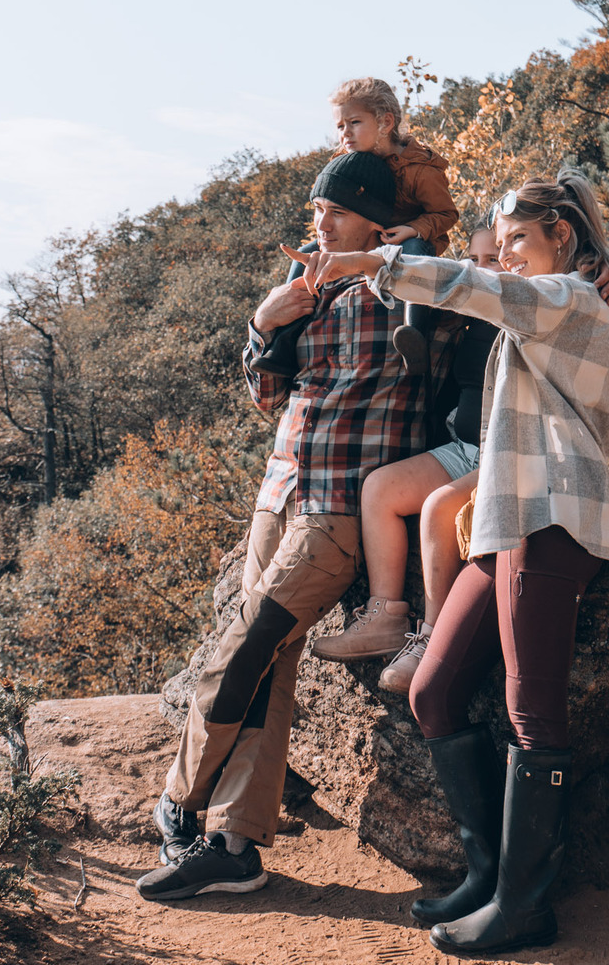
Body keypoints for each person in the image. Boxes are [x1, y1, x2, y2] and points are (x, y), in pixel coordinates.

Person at [285, 170, 609, 957]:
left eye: (519, 240)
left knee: (532, 712)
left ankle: (524, 906)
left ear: (563, 238)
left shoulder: (572, 299)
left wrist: (370, 262)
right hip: (507, 522)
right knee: (434, 690)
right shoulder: (553, 300)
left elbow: (475, 287)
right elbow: (483, 293)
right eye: (499, 243)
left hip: (553, 519)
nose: (505, 256)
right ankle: (486, 876)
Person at [135, 151, 453, 903]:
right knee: (271, 662)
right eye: (317, 211)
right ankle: (233, 846)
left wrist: (401, 248)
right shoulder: (307, 284)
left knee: (244, 649)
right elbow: (268, 394)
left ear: (375, 220)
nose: (321, 225)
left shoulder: (409, 282)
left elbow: (464, 285)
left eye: (336, 212)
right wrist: (262, 323)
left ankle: (179, 799)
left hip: (336, 511)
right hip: (277, 494)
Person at [307, 226, 501, 689]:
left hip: (507, 455)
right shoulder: (469, 311)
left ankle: (432, 640)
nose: (480, 268)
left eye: (493, 258)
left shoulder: (527, 307)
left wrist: (600, 271)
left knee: (438, 508)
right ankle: (386, 616)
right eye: (473, 258)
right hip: (464, 448)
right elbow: (428, 275)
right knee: (380, 488)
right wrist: (415, 234)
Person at [255, 78, 459, 379]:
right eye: (340, 126)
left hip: (407, 239)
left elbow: (446, 213)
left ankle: (414, 330)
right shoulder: (346, 160)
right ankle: (282, 344)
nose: (345, 133)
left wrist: (413, 228)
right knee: (307, 254)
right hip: (366, 240)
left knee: (415, 254)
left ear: (385, 122)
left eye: (354, 123)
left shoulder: (420, 169)